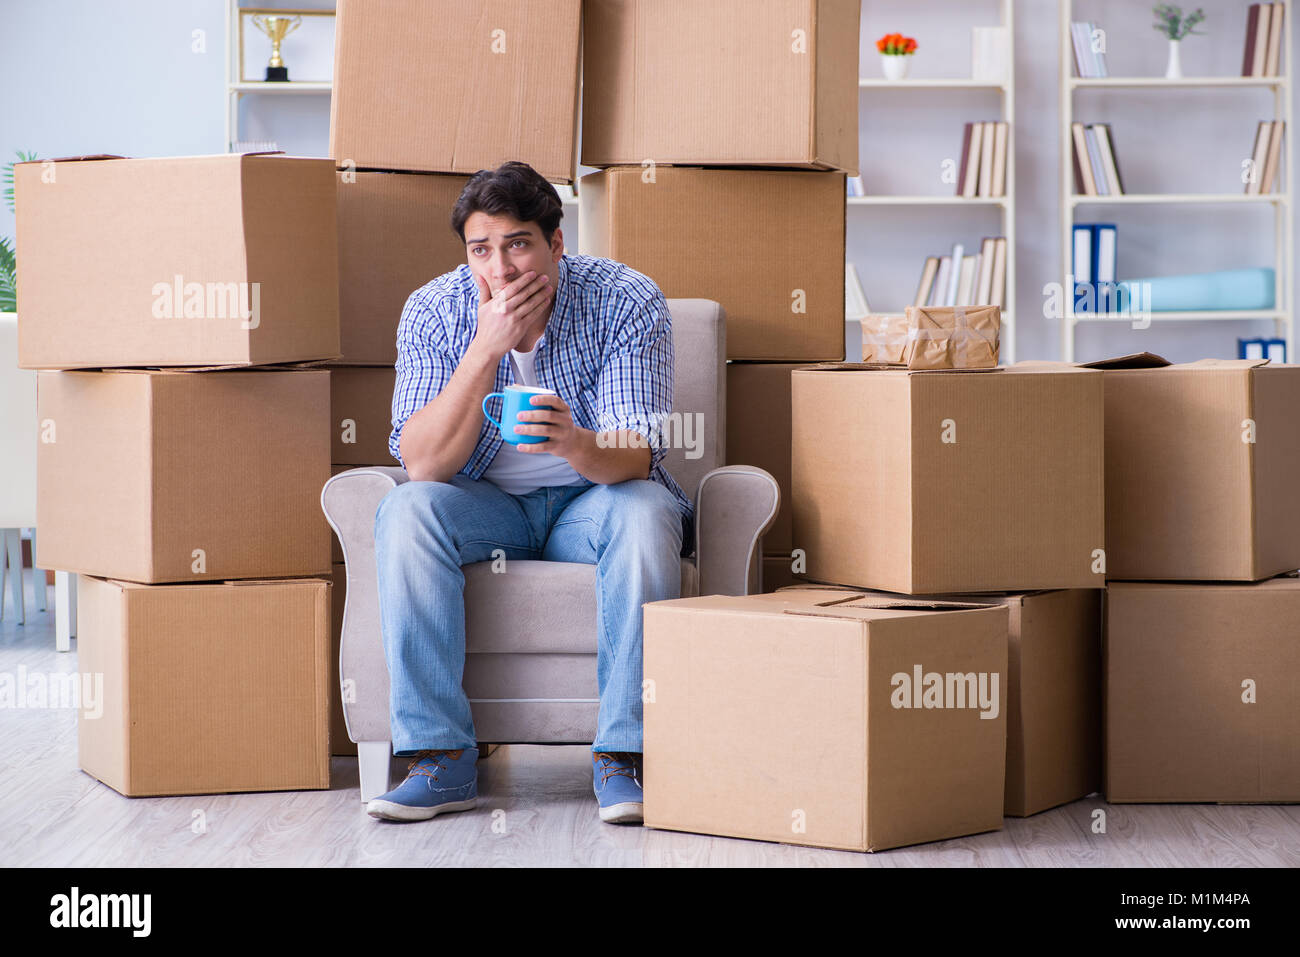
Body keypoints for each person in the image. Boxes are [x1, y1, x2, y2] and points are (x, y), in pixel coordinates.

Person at [367, 160, 691, 826]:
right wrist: (485, 351)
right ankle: (441, 759)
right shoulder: (435, 308)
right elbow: (423, 461)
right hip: (487, 507)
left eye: (518, 244)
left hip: (590, 502)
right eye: (481, 250)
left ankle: (625, 757)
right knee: (404, 509)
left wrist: (574, 442)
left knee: (648, 510)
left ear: (556, 243)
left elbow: (637, 451)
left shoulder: (625, 298)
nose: (501, 269)